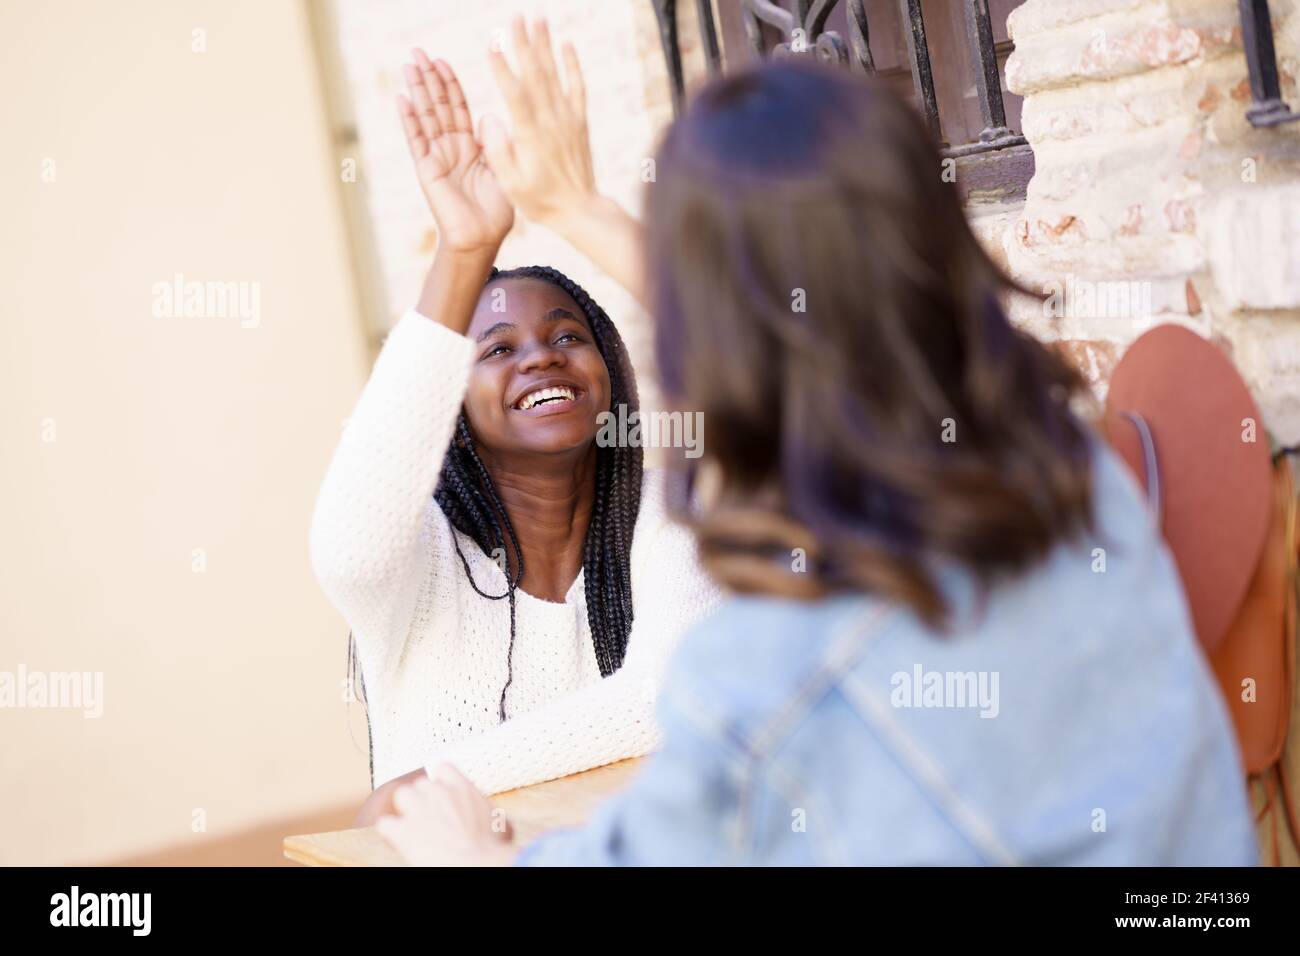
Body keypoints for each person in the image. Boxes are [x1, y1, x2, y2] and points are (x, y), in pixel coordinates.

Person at [374, 40, 1259, 866]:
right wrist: (579, 209)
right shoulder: (1061, 464)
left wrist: (471, 854)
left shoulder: (769, 676)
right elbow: (830, 368)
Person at [308, 30, 720, 820]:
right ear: (451, 405)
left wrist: (428, 787)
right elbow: (346, 539)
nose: (540, 358)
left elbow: (665, 700)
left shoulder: (667, 516)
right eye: (495, 349)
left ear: (613, 374)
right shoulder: (421, 562)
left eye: (568, 336)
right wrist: (463, 252)